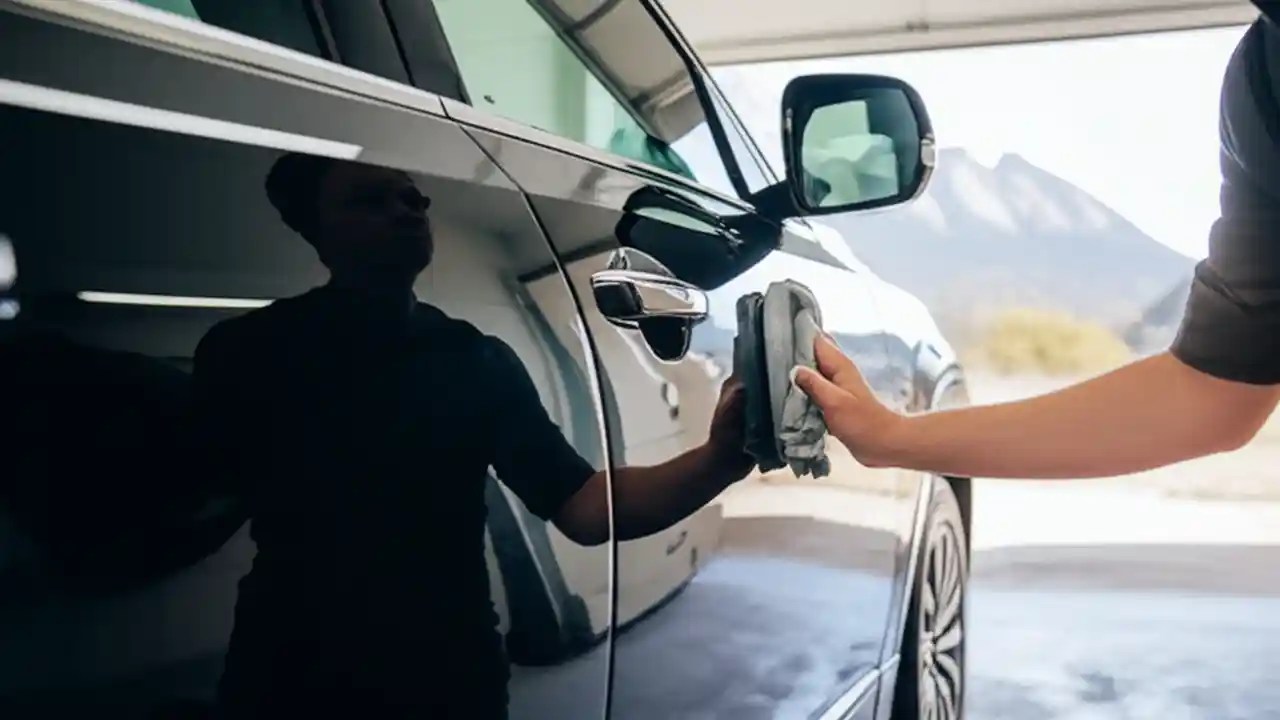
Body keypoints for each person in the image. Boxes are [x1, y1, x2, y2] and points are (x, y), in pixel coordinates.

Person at [195, 152, 754, 718]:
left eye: (414, 200)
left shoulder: (473, 357)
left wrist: (720, 460)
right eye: (370, 201)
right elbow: (202, 496)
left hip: (442, 671)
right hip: (290, 668)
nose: (405, 212)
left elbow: (583, 507)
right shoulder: (247, 349)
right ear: (311, 228)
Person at [793, 5, 1280, 481]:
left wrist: (891, 438)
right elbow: (1213, 392)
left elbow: (1213, 396)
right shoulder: (1263, 81)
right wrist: (890, 438)